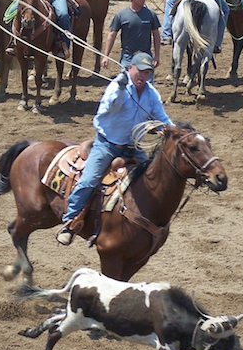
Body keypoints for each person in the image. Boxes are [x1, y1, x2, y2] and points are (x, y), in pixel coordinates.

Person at [56, 52, 173, 245]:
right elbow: (112, 106)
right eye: (140, 72)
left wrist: (170, 130)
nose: (143, 76)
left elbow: (161, 117)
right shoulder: (117, 88)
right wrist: (119, 89)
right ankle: (70, 220)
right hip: (108, 144)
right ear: (130, 69)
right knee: (89, 180)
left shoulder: (152, 93)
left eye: (147, 73)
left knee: (152, 177)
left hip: (133, 147)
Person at [102, 0, 161, 73]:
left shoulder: (151, 14)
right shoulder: (121, 15)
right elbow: (112, 35)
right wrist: (106, 56)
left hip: (145, 56)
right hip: (128, 56)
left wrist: (157, 56)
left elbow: (156, 35)